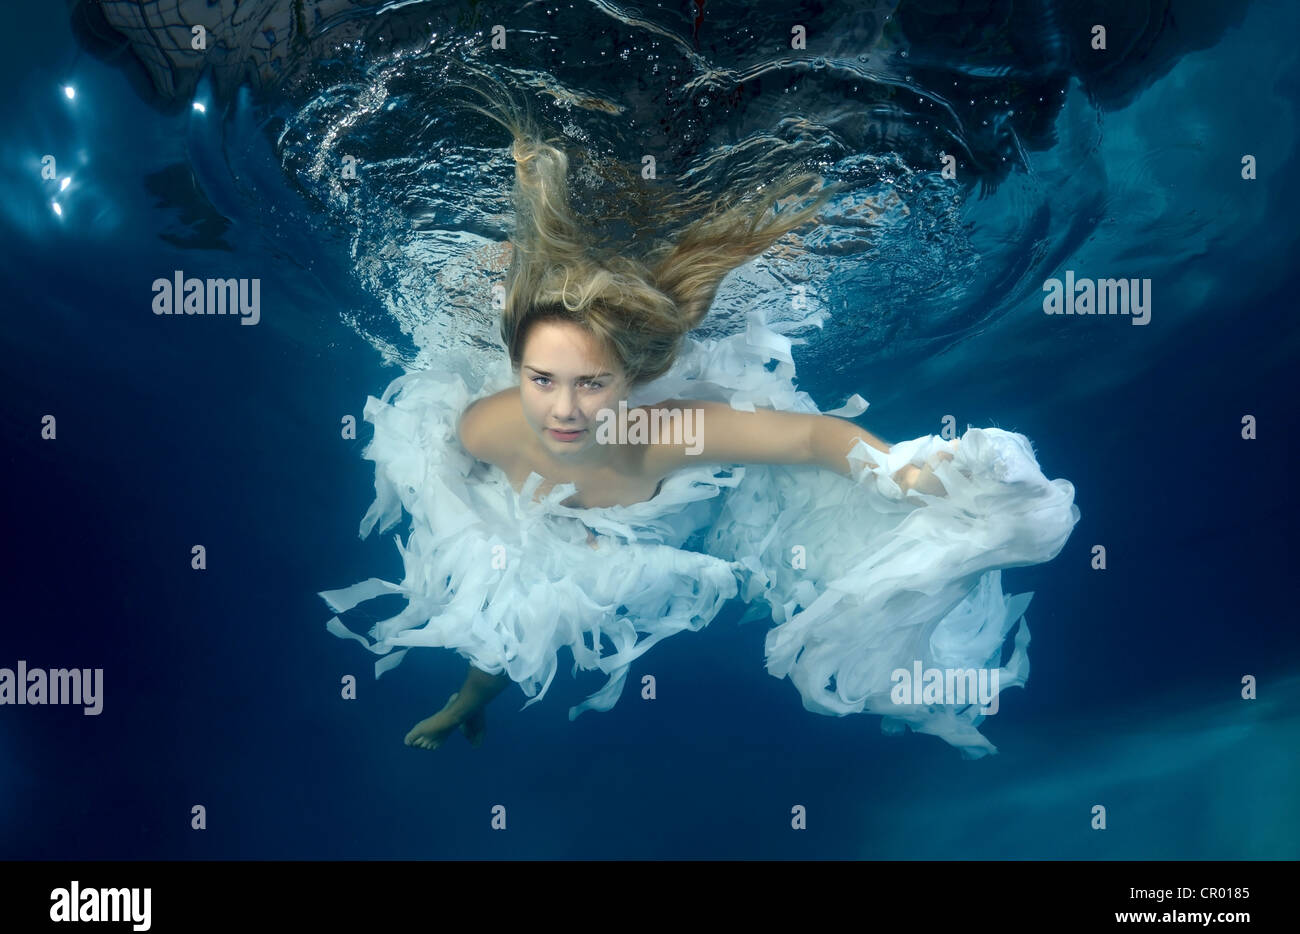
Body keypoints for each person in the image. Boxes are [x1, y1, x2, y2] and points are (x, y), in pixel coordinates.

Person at [318, 77, 1080, 758]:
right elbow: (516, 581)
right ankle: (470, 698)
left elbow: (811, 437)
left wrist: (898, 469)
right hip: (564, 530)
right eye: (542, 379)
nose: (563, 409)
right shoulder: (485, 428)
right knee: (525, 581)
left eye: (591, 384)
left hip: (681, 497)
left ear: (630, 380)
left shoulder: (659, 435)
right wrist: (474, 689)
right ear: (517, 370)